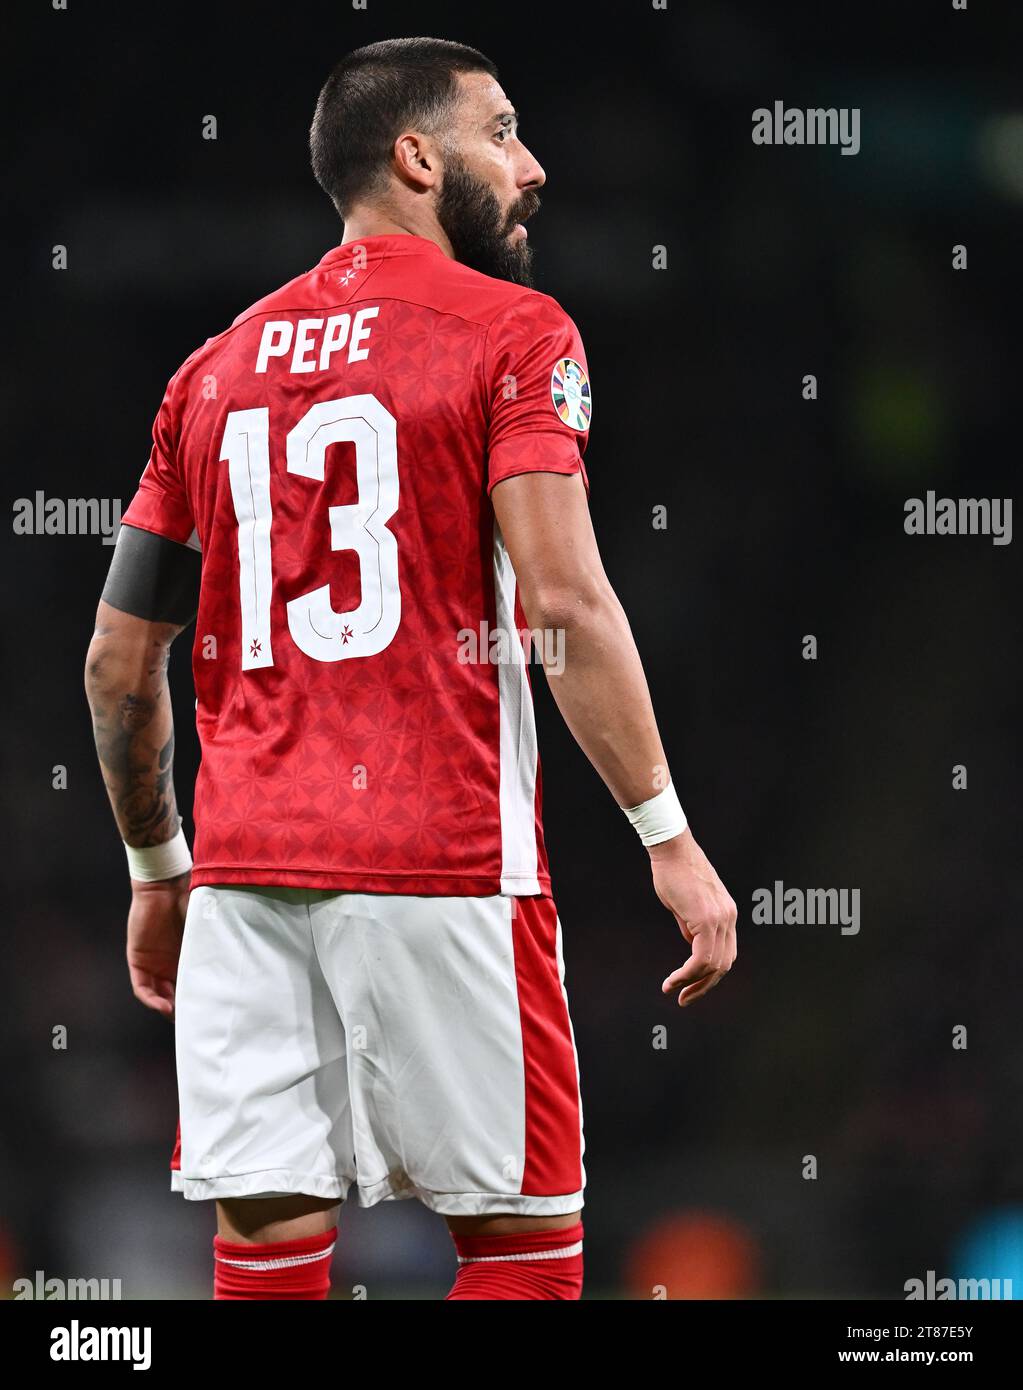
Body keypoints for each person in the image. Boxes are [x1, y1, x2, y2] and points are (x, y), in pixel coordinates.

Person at [84, 36, 737, 1301]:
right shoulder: (517, 334)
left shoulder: (209, 373)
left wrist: (159, 874)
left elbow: (119, 662)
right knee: (522, 1255)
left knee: (263, 1260)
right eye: (503, 131)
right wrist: (667, 833)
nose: (533, 165)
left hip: (244, 879)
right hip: (441, 865)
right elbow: (565, 602)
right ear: (419, 156)